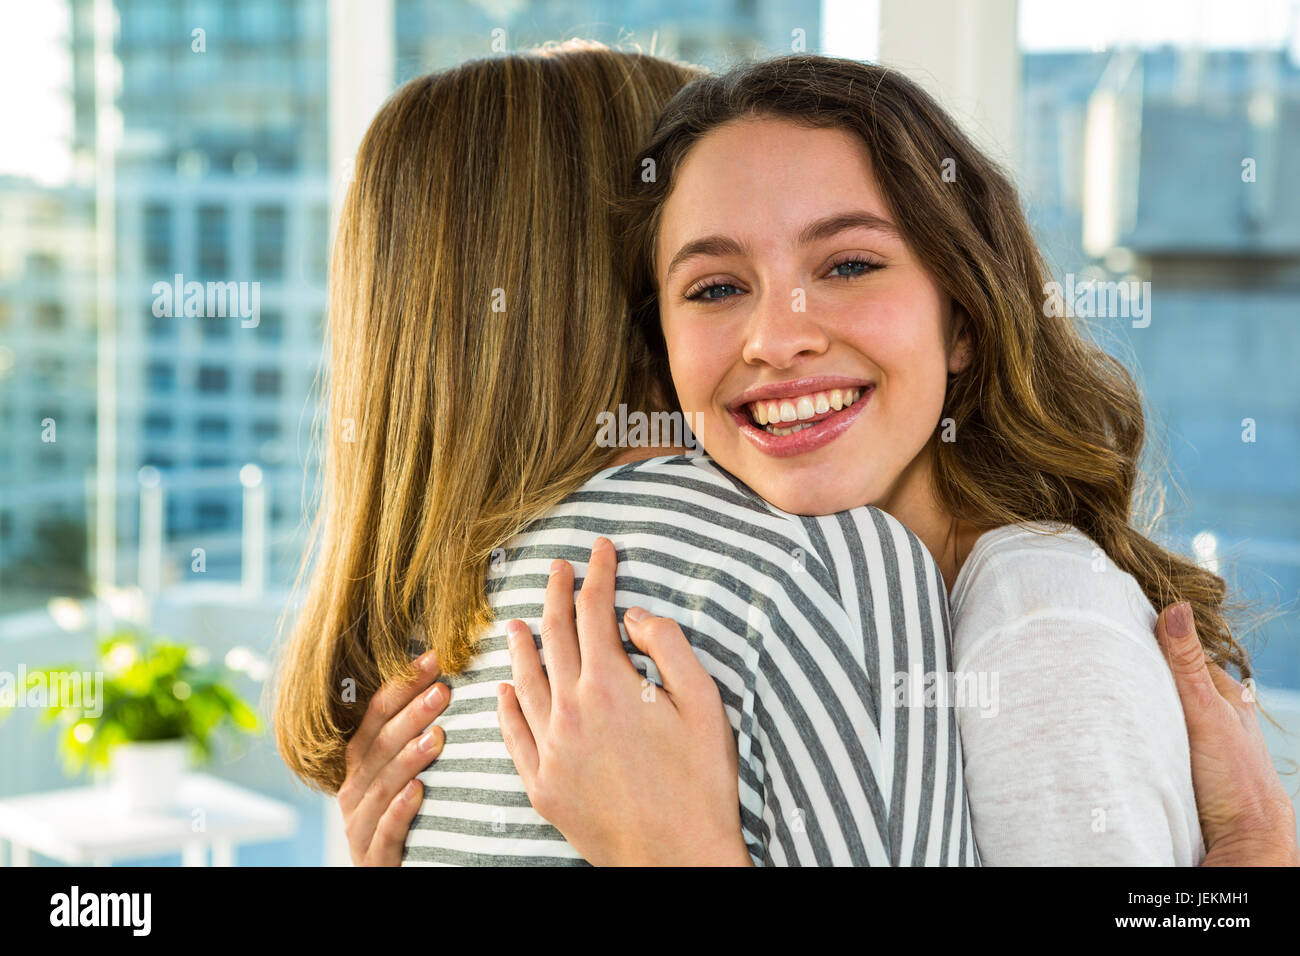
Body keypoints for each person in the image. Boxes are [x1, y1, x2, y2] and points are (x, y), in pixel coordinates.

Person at [273, 46, 1298, 866]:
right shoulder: (812, 578)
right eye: (713, 284)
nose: (778, 335)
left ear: (967, 316)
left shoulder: (1030, 623)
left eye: (847, 264)